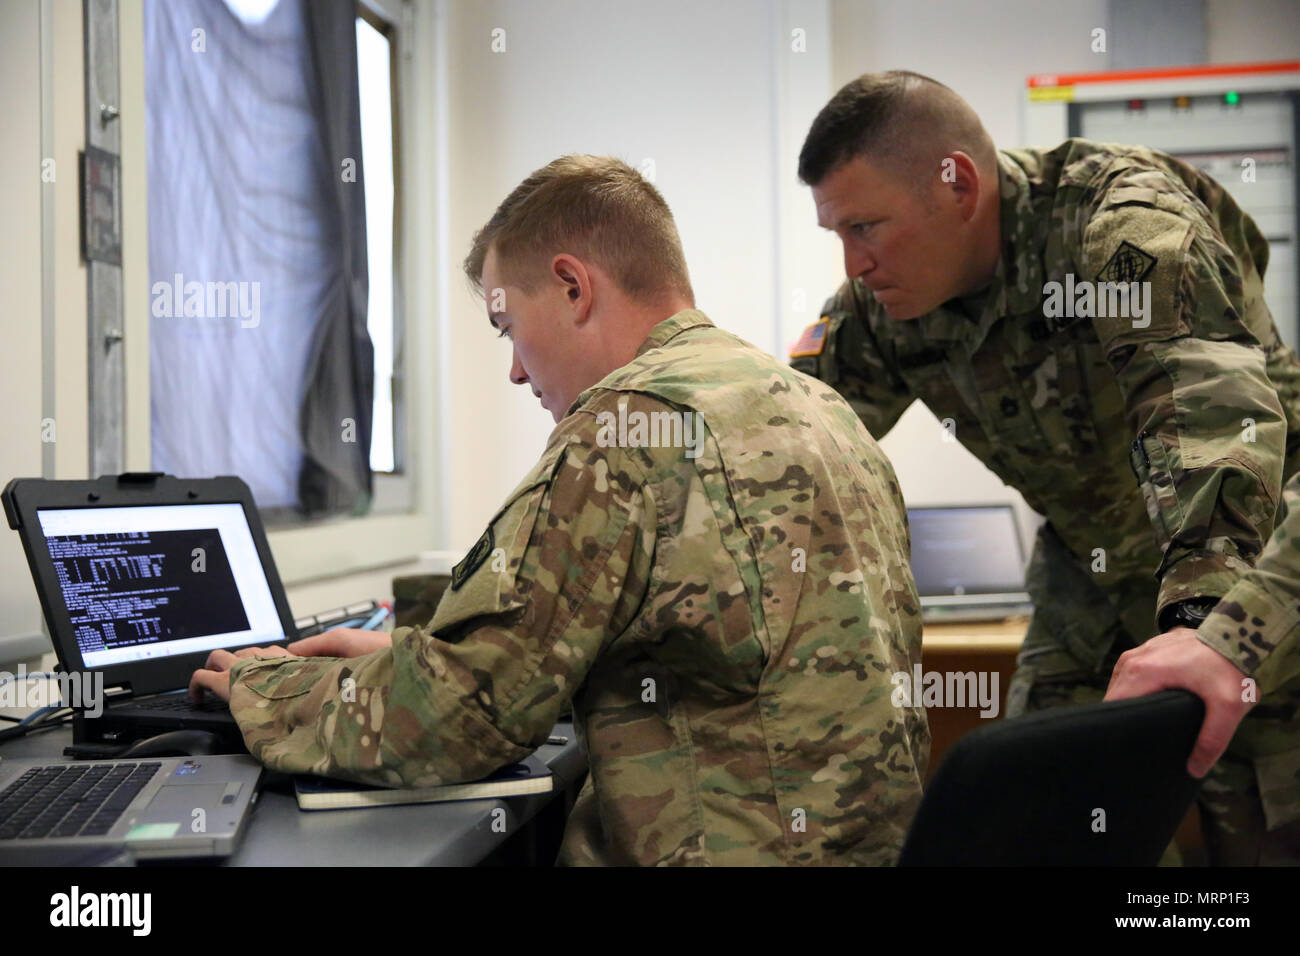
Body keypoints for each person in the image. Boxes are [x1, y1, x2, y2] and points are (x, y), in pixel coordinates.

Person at [190, 155, 929, 866]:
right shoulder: (821, 408)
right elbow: (721, 662)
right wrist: (420, 654)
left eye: (507, 328)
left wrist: (267, 685)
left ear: (573, 286)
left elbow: (456, 719)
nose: (514, 370)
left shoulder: (623, 428)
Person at [790, 69, 1300, 864]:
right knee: (1044, 826)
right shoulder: (884, 310)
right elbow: (785, 444)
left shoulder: (1121, 224)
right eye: (839, 236)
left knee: (1259, 839)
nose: (853, 262)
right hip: (1092, 585)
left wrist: (1206, 629)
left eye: (866, 227)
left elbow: (1205, 418)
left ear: (955, 182)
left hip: (1258, 556)